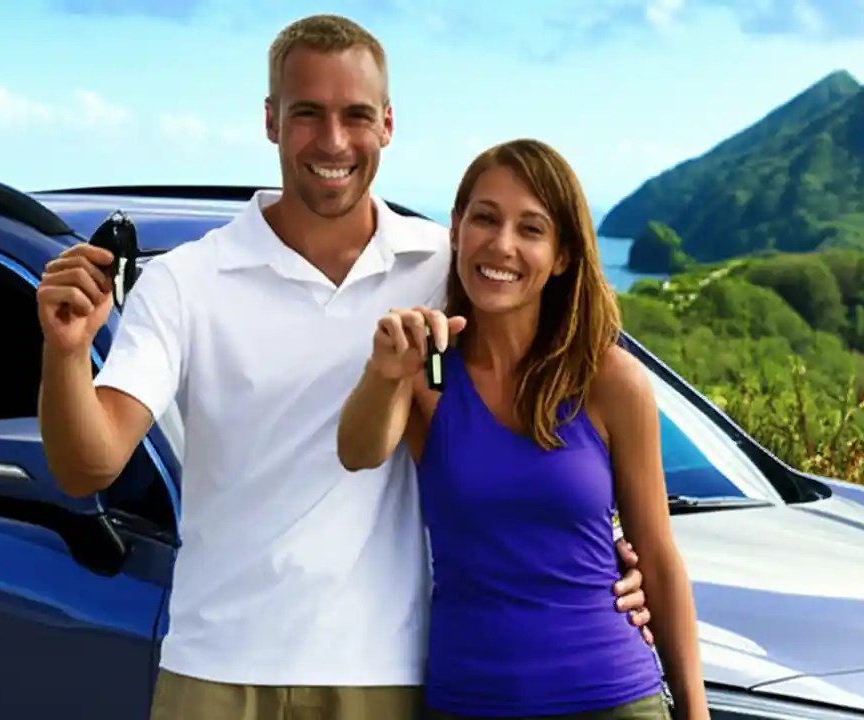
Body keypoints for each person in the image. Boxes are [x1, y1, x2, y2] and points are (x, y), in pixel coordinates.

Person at [34, 13, 653, 720]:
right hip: (216, 668)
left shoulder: (448, 266)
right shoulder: (187, 282)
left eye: (356, 115)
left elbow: (559, 387)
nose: (333, 141)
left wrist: (616, 555)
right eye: (307, 114)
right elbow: (88, 467)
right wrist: (68, 352)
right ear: (271, 121)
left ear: (387, 124)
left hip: (383, 673)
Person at [335, 138, 709, 720]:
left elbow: (658, 558)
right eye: (485, 218)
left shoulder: (610, 379)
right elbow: (358, 452)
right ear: (456, 229)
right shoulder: (426, 374)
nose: (502, 245)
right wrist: (383, 374)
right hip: (468, 701)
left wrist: (695, 711)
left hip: (612, 697)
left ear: (561, 255)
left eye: (531, 229)